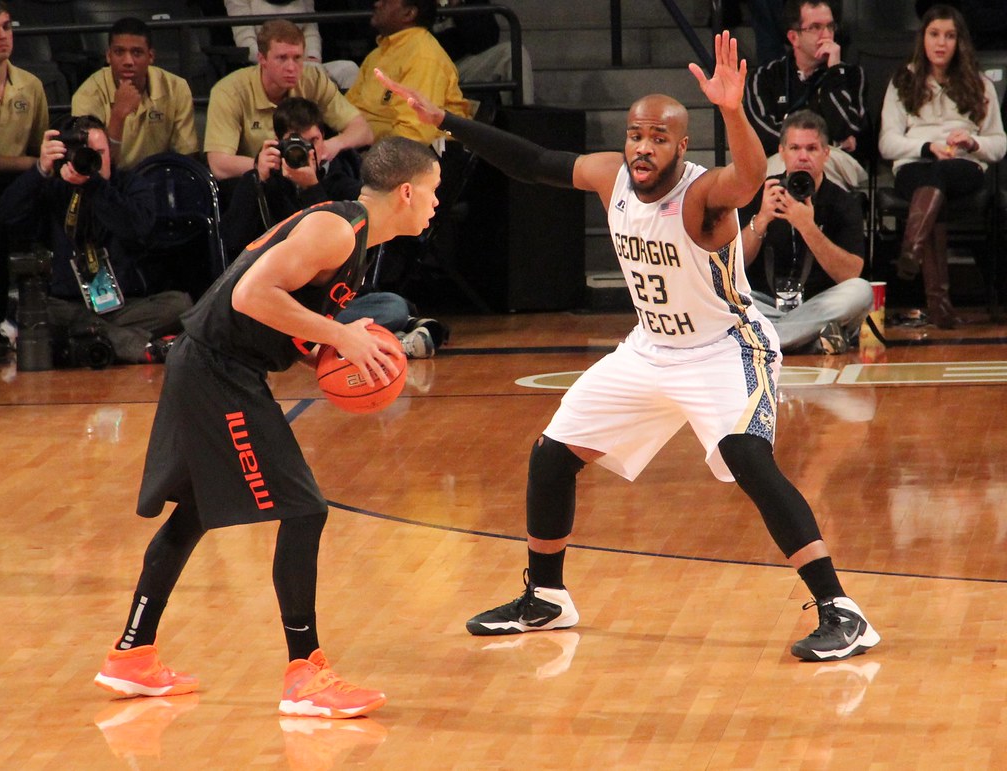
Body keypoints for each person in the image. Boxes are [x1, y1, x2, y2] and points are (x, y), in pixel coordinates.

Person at [377, 30, 882, 663]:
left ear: (682, 146)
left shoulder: (701, 194)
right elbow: (533, 161)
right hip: (649, 349)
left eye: (659, 137)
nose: (643, 146)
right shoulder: (609, 176)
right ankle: (546, 596)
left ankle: (842, 610)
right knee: (552, 454)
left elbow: (751, 177)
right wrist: (446, 121)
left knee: (748, 459)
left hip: (724, 350)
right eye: (635, 135)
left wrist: (732, 111)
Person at [92, 135, 442, 718]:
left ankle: (131, 654)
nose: (436, 203)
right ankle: (305, 675)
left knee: (198, 509)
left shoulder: (350, 234)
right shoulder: (337, 231)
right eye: (433, 191)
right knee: (304, 509)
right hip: (216, 369)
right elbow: (251, 294)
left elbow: (276, 311)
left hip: (217, 363)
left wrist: (324, 350)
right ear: (406, 192)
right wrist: (341, 334)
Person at [220, 95, 449, 356]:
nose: (306, 150)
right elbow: (233, 244)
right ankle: (386, 337)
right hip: (274, 304)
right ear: (278, 144)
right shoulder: (275, 189)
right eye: (296, 142)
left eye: (313, 141)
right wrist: (256, 181)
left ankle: (373, 337)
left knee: (391, 305)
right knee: (381, 311)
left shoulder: (342, 187)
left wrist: (312, 187)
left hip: (322, 305)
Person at [0, 115, 192, 364]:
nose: (93, 161)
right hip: (67, 306)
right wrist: (40, 170)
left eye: (100, 153)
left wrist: (96, 186)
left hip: (123, 307)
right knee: (39, 311)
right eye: (86, 154)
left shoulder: (130, 184)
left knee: (180, 304)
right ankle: (141, 346)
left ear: (111, 152)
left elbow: (137, 228)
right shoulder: (53, 187)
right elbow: (6, 216)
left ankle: (93, 340)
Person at [878, 4, 1005, 328]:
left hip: (962, 165)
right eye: (934, 34)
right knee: (931, 179)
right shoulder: (903, 80)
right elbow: (887, 143)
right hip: (915, 163)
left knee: (939, 175)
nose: (941, 43)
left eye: (949, 36)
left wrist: (973, 143)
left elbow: (999, 144)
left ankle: (911, 248)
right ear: (923, 38)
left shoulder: (980, 84)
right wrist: (926, 147)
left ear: (959, 42)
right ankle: (940, 308)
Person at [739, 109, 872, 353]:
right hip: (766, 305)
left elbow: (850, 274)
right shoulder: (761, 193)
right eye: (795, 148)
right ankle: (810, 340)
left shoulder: (844, 202)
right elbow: (734, 265)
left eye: (811, 149)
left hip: (818, 304)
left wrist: (807, 227)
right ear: (781, 152)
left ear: (826, 153)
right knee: (723, 294)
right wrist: (762, 219)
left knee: (861, 291)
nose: (803, 157)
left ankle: (769, 340)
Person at [204, 19, 372, 182]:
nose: (291, 67)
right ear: (262, 59)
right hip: (258, 182)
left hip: (309, 178)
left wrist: (333, 145)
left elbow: (364, 131)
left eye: (297, 57)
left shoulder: (314, 80)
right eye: (282, 58)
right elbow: (219, 165)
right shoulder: (230, 91)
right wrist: (262, 164)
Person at [0, 0, 49, 360]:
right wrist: (31, 164)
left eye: (6, 27)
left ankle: (46, 310)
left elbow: (40, 144)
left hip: (19, 180)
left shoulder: (31, 85)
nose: (2, 36)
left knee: (49, 197)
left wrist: (38, 167)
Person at [744, 0, 868, 191]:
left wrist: (834, 73)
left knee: (816, 162)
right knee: (787, 166)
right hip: (781, 157)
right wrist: (810, 144)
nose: (826, 35)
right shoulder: (764, 78)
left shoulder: (851, 75)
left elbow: (847, 129)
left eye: (830, 26)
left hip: (834, 158)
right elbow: (760, 135)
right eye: (816, 27)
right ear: (794, 38)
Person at [70, 17, 199, 171]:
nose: (128, 61)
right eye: (119, 52)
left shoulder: (176, 87)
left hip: (157, 176)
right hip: (110, 178)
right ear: (109, 56)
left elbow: (187, 156)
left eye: (137, 53)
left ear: (150, 56)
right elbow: (93, 167)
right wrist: (118, 115)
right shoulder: (87, 94)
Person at [346, 0, 473, 152]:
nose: (377, 4)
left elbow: (414, 136)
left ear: (408, 13)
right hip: (365, 146)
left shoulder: (423, 56)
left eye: (386, 2)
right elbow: (348, 110)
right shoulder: (377, 54)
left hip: (414, 156)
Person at [223, 0, 361, 89]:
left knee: (349, 69)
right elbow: (245, 41)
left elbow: (311, 31)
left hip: (303, 61)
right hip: (266, 65)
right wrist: (279, 60)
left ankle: (346, 122)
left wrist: (312, 57)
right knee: (311, 72)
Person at [433, 0, 534, 105]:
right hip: (430, 66)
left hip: (461, 65)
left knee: (512, 53)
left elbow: (487, 39)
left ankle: (523, 112)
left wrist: (457, 6)